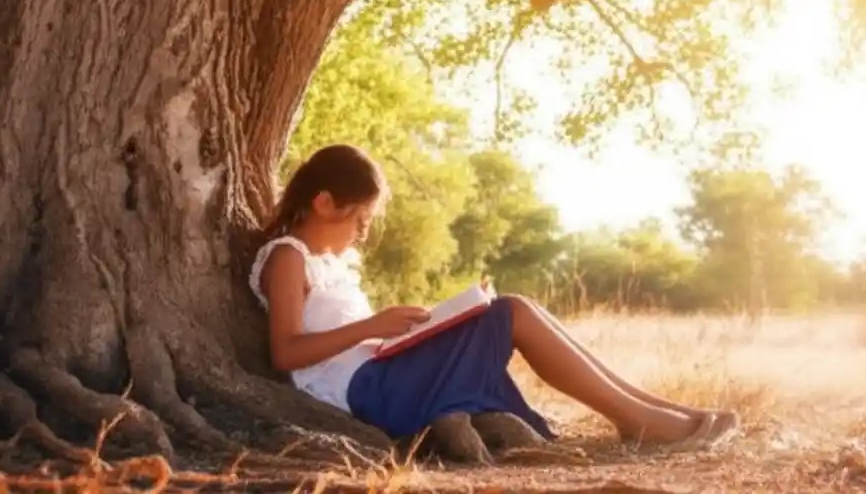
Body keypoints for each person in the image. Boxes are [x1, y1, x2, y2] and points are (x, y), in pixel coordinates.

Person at [250, 144, 737, 452]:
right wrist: (372, 326)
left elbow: (351, 337)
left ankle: (650, 410)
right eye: (360, 219)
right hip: (368, 393)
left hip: (383, 372)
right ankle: (641, 420)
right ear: (324, 203)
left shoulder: (329, 262)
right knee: (513, 312)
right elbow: (286, 352)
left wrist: (414, 327)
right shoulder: (288, 257)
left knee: (512, 309)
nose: (363, 233)